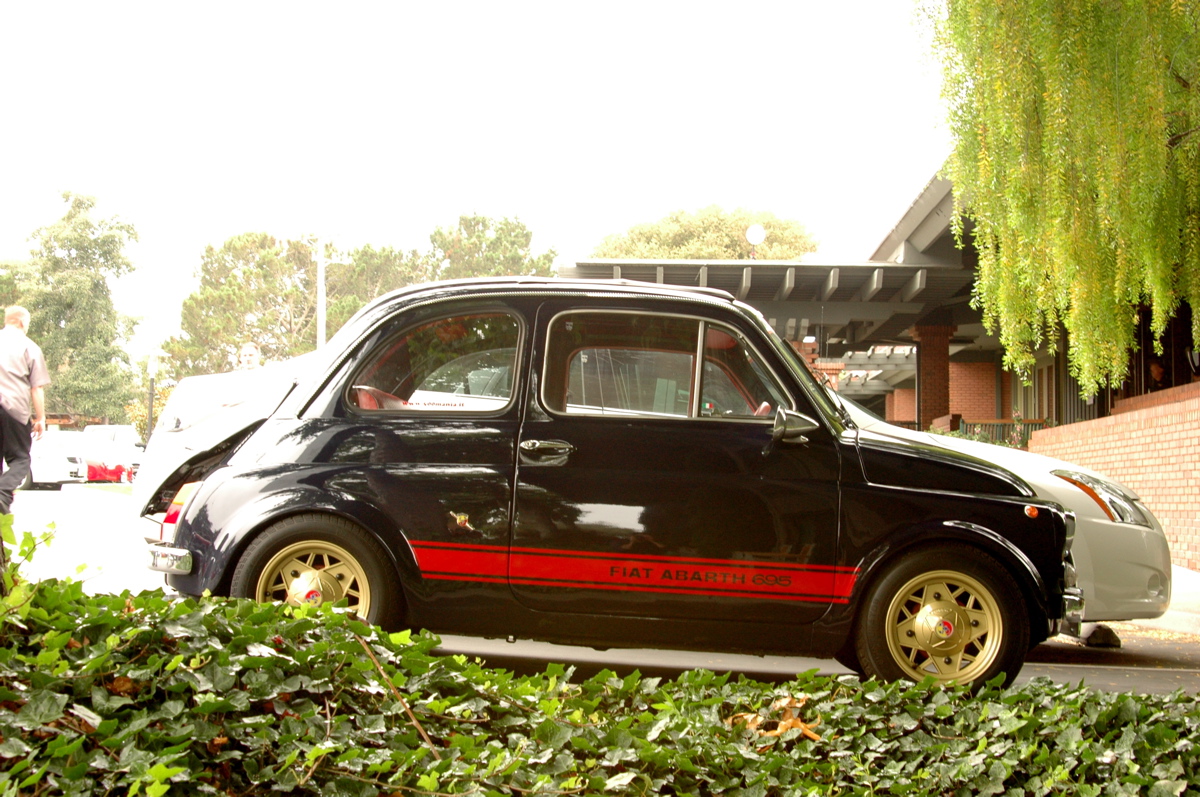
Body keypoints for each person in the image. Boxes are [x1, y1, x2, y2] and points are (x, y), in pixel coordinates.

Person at [0, 306, 50, 514]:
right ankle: (2, 493)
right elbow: (36, 388)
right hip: (13, 410)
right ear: (21, 322)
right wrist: (40, 418)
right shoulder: (29, 347)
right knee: (21, 458)